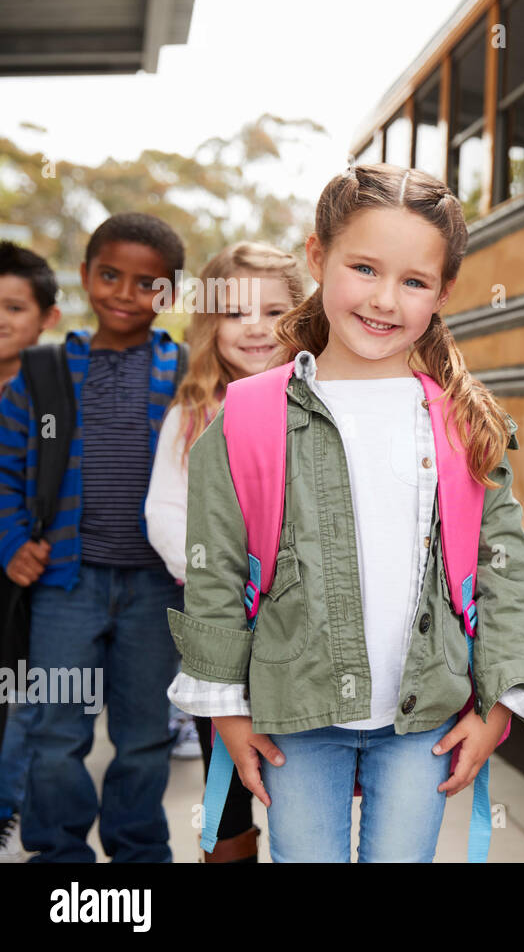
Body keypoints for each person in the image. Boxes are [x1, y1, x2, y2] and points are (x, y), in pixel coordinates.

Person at [166, 164, 524, 862]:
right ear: (318, 257)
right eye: (364, 267)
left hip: (424, 724)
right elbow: (216, 570)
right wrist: (225, 709)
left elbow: (502, 570)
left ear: (444, 291)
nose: (384, 299)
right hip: (293, 718)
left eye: (414, 281)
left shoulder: (466, 419)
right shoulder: (250, 415)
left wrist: (498, 705)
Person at [0, 214, 189, 862]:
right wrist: (12, 542)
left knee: (143, 735)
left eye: (146, 284)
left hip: (157, 590)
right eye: (109, 275)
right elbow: (3, 471)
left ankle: (139, 850)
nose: (124, 293)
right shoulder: (42, 373)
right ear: (84, 276)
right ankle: (58, 856)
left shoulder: (187, 373)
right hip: (64, 587)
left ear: (169, 296)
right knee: (57, 732)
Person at [145, 241, 304, 862]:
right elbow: (165, 513)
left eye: (274, 311)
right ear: (211, 323)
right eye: (236, 313)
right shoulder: (192, 414)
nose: (257, 328)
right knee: (227, 785)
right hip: (223, 634)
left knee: (298, 777)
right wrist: (218, 578)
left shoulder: (319, 404)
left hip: (301, 636)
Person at [0, 241, 62, 862]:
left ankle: (8, 812)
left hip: (32, 576)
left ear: (46, 316)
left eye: (13, 306)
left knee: (27, 701)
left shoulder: (57, 392)